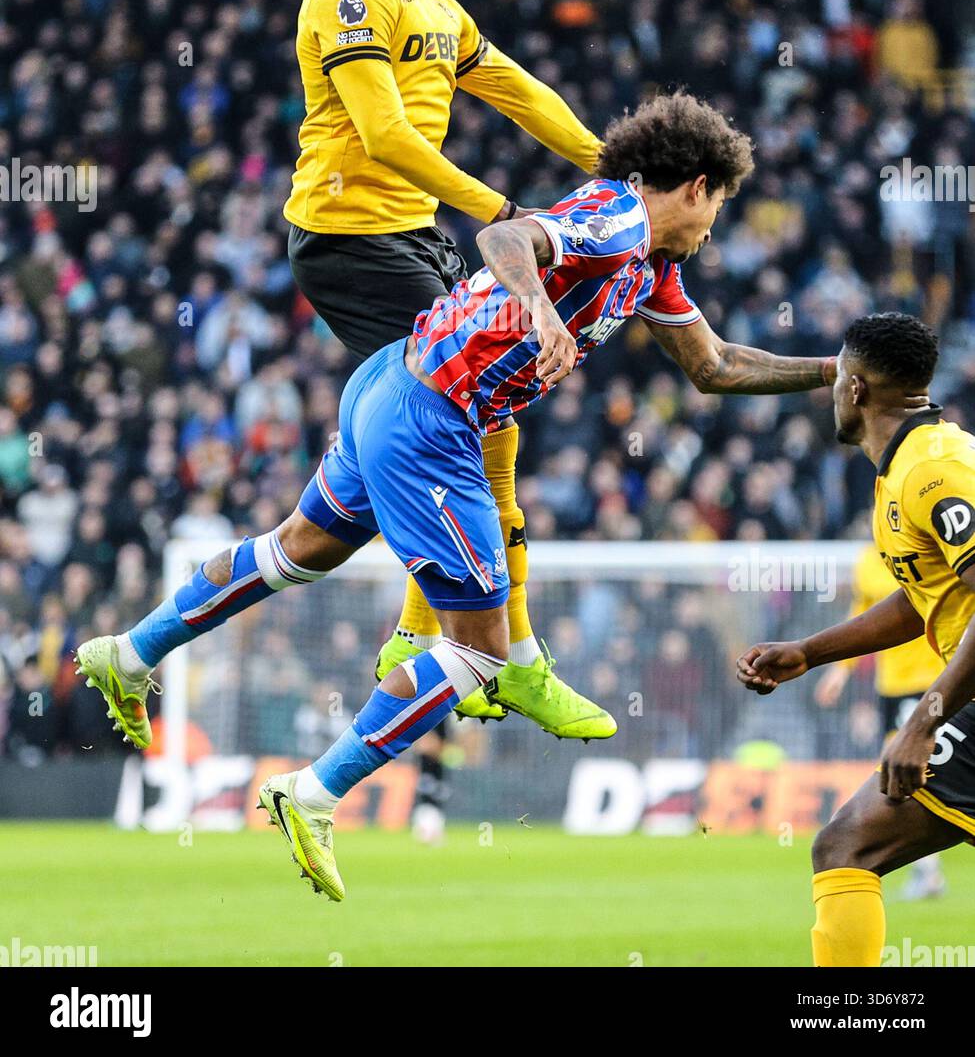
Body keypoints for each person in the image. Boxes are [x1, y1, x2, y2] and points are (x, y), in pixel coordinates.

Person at [78, 92, 837, 898]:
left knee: (296, 551)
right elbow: (503, 235)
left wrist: (831, 373)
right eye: (717, 205)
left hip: (391, 383)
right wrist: (540, 310)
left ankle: (130, 652)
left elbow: (712, 365)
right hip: (432, 420)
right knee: (477, 648)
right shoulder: (616, 220)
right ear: (694, 185)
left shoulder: (651, 265)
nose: (713, 228)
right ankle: (315, 791)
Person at [263, 0, 614, 736]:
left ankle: (430, 639)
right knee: (472, 406)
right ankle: (505, 655)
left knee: (484, 411)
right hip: (348, 236)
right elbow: (379, 134)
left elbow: (516, 89)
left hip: (412, 236)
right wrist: (501, 210)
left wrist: (610, 163)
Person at [737, 313, 975, 966]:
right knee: (846, 845)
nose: (833, 390)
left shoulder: (934, 470)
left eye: (838, 375)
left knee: (845, 846)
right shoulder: (909, 465)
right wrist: (810, 653)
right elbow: (921, 597)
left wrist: (923, 720)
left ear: (857, 389)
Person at [815, 543, 948, 899]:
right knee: (907, 772)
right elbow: (863, 611)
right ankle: (928, 872)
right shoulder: (867, 562)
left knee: (911, 771)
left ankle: (928, 873)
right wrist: (839, 673)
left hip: (932, 678)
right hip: (890, 683)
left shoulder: (926, 551)